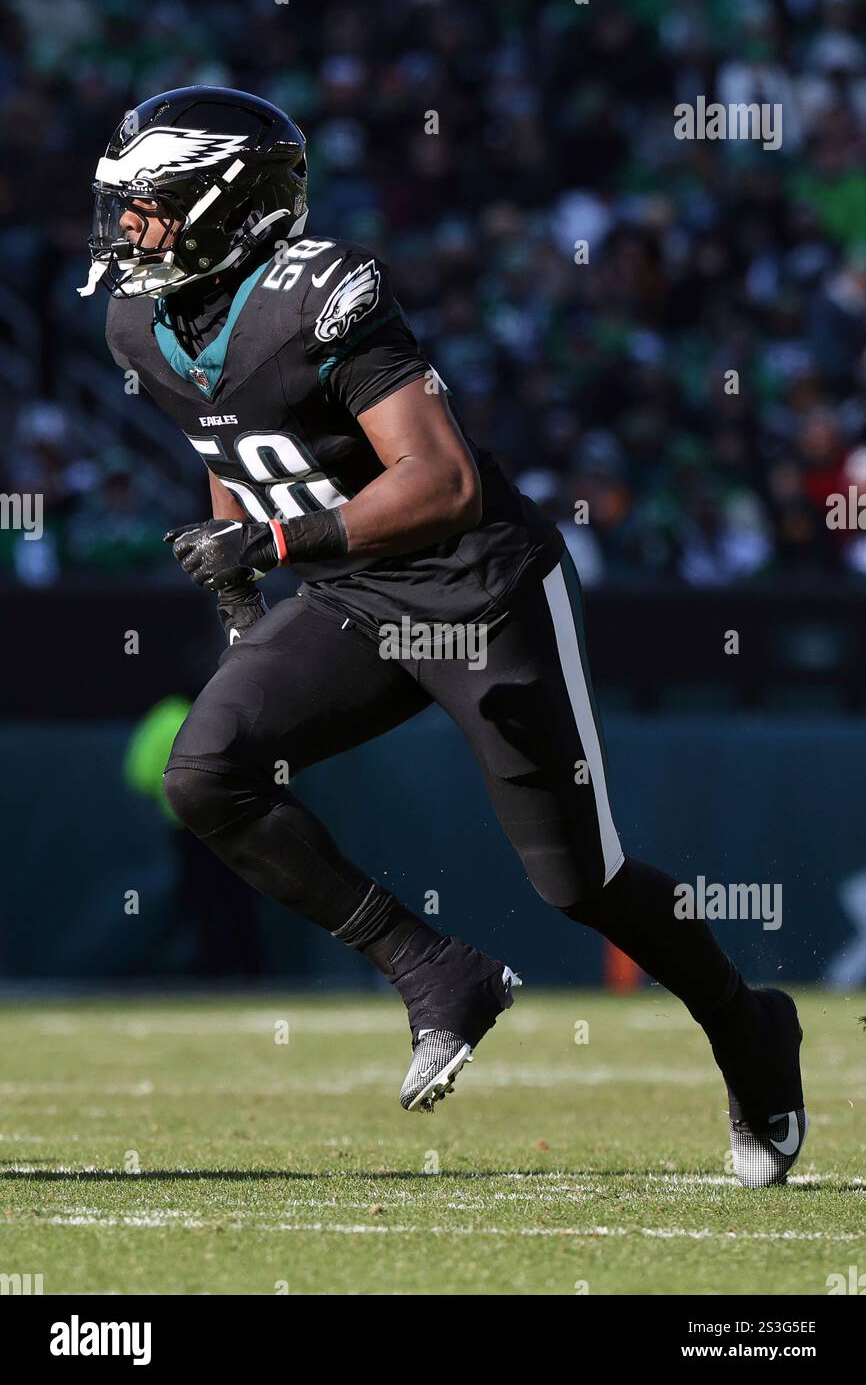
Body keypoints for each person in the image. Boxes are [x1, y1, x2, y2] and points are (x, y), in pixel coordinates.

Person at [80, 86, 806, 1185]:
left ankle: (747, 1027)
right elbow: (227, 441)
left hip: (478, 589)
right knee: (205, 774)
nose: (129, 228)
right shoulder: (139, 320)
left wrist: (274, 546)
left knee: (581, 882)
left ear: (228, 206)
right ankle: (434, 973)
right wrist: (243, 609)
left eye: (151, 206)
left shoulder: (323, 293)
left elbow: (446, 481)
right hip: (348, 595)